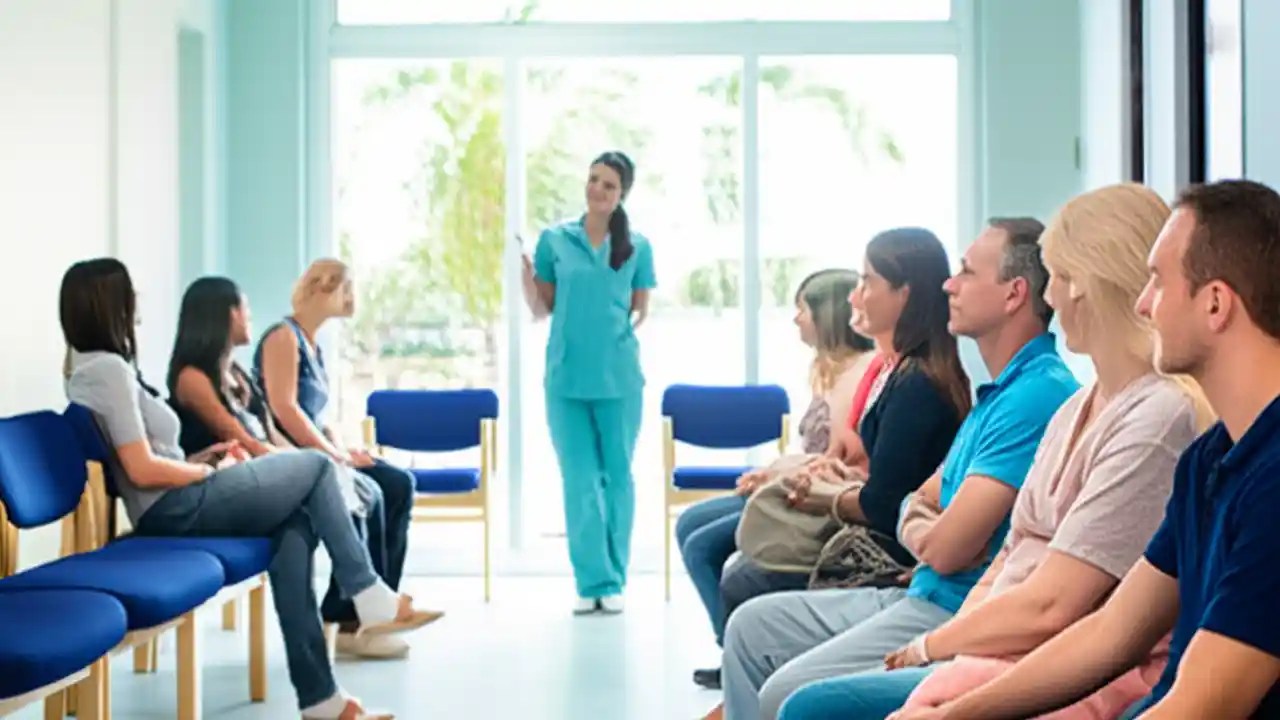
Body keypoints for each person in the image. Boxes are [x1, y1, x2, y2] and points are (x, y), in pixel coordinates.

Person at [777, 184, 1212, 720]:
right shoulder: (1070, 407)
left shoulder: (1140, 414)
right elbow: (997, 547)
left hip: (1016, 645)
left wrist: (937, 646)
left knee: (807, 702)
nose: (1049, 297)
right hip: (980, 630)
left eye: (1061, 278)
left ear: (1089, 286)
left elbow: (1042, 597)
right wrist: (953, 646)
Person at [886, 179, 1280, 720]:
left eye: (1158, 283)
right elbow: (1111, 632)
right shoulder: (1209, 459)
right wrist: (957, 713)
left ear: (1215, 304)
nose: (1143, 303)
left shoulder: (1271, 478)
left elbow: (1202, 704)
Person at [718, 220, 1079, 720]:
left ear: (1014, 294)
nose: (950, 285)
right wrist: (921, 515)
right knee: (750, 625)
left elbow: (946, 546)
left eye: (967, 273)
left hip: (948, 605)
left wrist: (919, 517)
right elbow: (919, 502)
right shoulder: (997, 393)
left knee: (788, 692)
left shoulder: (1034, 396)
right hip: (920, 583)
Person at [61, 258, 437, 720]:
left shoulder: (104, 368)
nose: (137, 302)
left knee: (293, 528)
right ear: (109, 305)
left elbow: (142, 459)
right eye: (130, 294)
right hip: (173, 509)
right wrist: (206, 475)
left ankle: (321, 700)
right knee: (316, 469)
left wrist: (203, 460)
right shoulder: (107, 372)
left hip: (178, 497)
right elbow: (140, 470)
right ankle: (367, 593)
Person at [170, 276, 424, 660]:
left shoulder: (236, 374)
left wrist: (319, 455)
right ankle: (355, 611)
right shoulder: (192, 378)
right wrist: (308, 462)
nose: (249, 315)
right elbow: (242, 438)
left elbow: (270, 428)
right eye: (243, 308)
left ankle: (364, 612)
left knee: (373, 489)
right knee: (348, 486)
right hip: (227, 485)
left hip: (258, 470)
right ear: (220, 315)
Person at [679, 268, 877, 690]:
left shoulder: (860, 372)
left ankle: (736, 652)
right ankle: (732, 649)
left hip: (816, 495)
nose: (795, 319)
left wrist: (777, 474)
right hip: (799, 482)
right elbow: (816, 451)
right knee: (690, 525)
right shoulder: (827, 369)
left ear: (826, 315)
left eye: (802, 308)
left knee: (703, 546)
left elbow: (838, 460)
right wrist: (772, 472)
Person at [254, 259, 428, 659]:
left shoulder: (312, 345)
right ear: (321, 287)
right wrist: (331, 455)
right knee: (373, 494)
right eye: (345, 288)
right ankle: (350, 616)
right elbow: (284, 410)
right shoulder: (283, 337)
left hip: (317, 450)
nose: (352, 299)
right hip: (292, 460)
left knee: (399, 483)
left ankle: (370, 611)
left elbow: (315, 416)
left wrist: (343, 448)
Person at [519, 151, 656, 614]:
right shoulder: (555, 240)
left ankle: (614, 580)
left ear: (622, 195)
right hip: (565, 378)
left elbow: (641, 310)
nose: (597, 190)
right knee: (578, 480)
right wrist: (524, 280)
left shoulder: (637, 246)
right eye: (593, 179)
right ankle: (591, 579)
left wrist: (611, 339)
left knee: (616, 478)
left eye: (609, 185)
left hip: (619, 379)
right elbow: (543, 309)